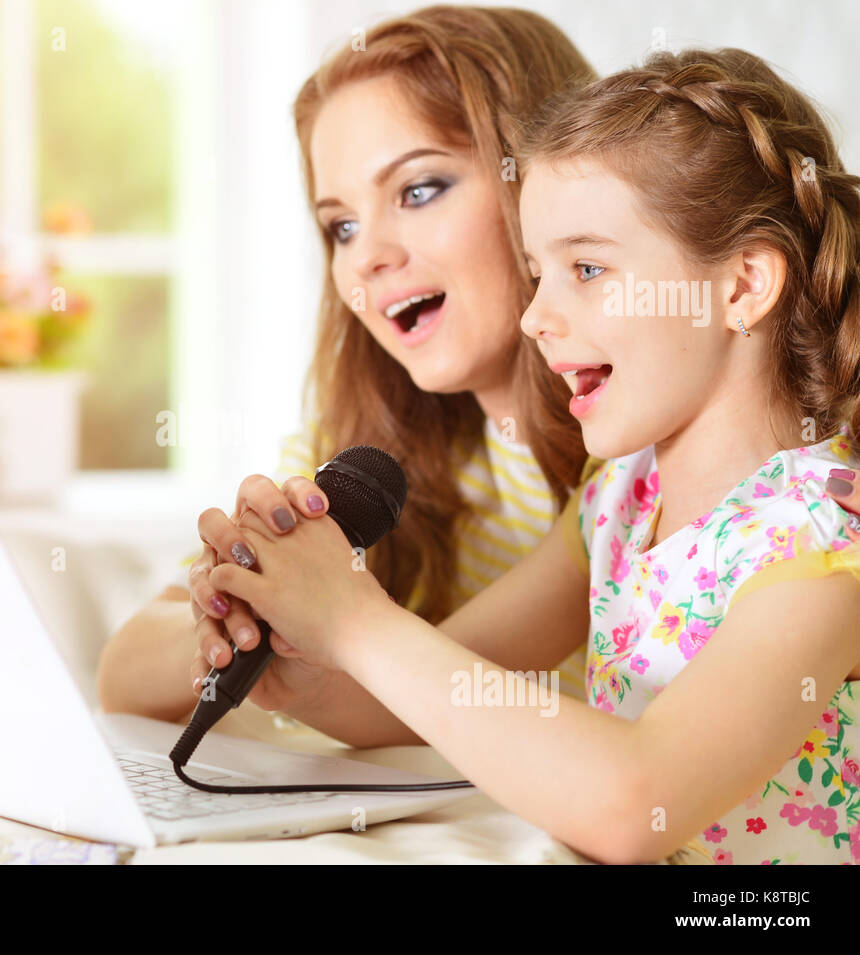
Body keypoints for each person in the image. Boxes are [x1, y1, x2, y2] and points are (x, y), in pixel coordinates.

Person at [203, 47, 860, 865]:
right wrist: (300, 656)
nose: (535, 318)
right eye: (536, 274)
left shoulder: (826, 548)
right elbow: (447, 691)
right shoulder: (616, 499)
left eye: (586, 268)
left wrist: (357, 619)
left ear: (741, 287)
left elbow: (637, 804)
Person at [96, 5, 597, 743]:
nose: (366, 257)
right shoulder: (362, 451)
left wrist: (321, 623)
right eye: (342, 226)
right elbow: (121, 675)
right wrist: (229, 616)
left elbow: (435, 696)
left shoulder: (633, 457)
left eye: (419, 190)